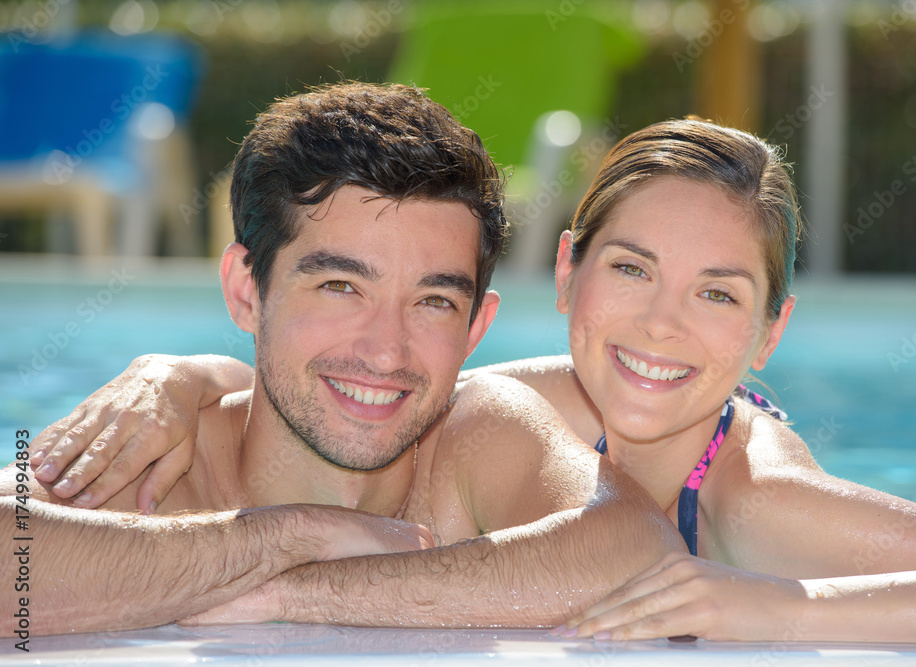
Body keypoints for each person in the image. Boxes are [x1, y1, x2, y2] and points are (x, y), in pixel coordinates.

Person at [27, 118, 916, 644]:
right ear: (568, 274)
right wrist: (181, 373)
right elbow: (345, 376)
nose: (661, 323)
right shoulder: (489, 390)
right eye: (632, 270)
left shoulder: (751, 488)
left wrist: (793, 611)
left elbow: (624, 538)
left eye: (716, 292)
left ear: (769, 331)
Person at [0, 82, 681, 638]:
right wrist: (295, 533)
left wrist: (309, 590)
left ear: (478, 326)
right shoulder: (156, 459)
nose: (386, 351)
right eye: (339, 287)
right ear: (247, 291)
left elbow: (640, 546)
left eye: (434, 301)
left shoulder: (478, 436)